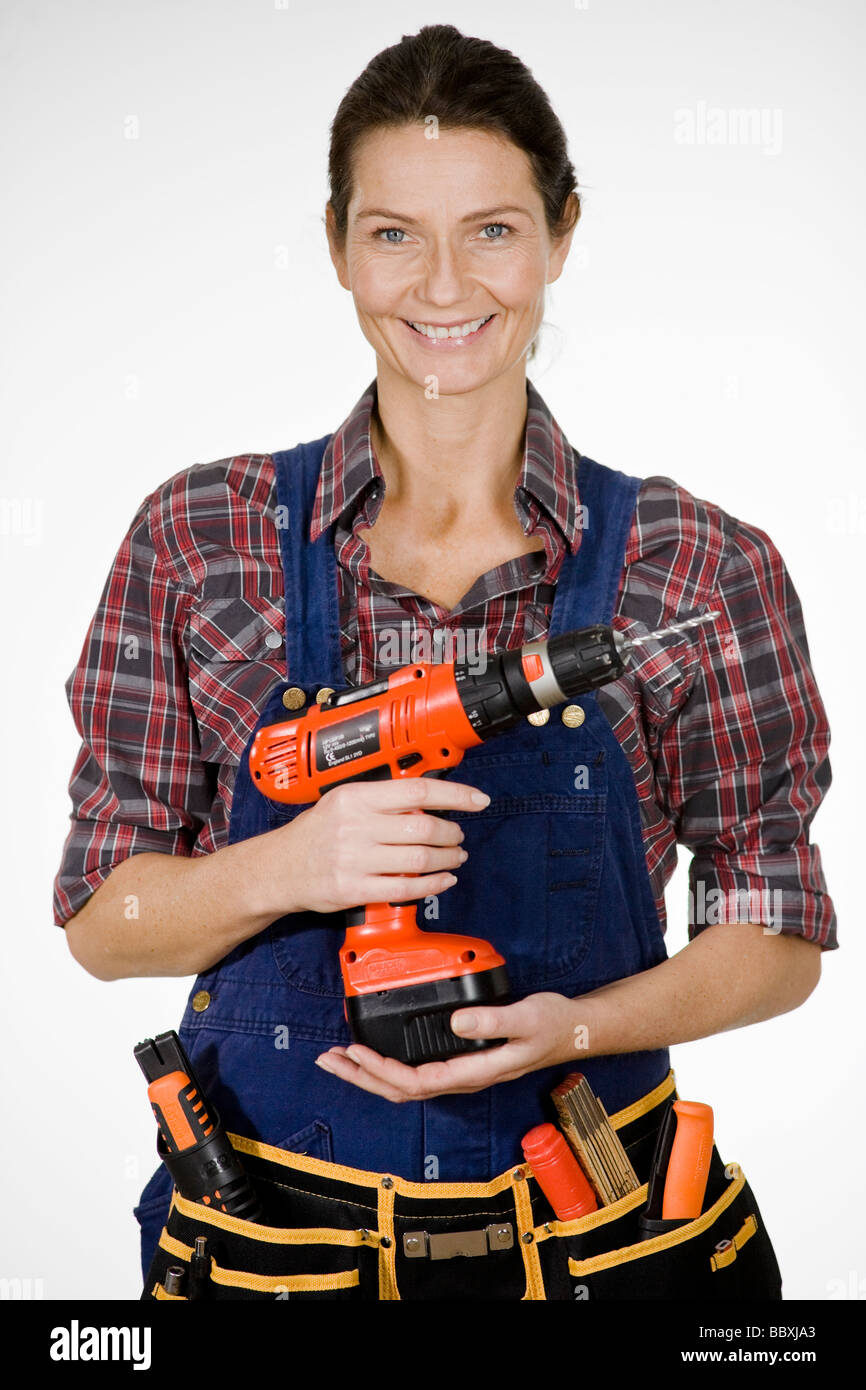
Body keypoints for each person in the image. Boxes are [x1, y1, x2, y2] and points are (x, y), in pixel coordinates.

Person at [54, 25, 835, 1301]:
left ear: (559, 235)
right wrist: (295, 862)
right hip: (271, 1255)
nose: (440, 285)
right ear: (335, 244)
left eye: (490, 229)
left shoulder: (697, 564)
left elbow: (776, 931)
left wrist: (579, 1027)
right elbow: (103, 923)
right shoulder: (201, 536)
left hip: (606, 1237)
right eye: (392, 233)